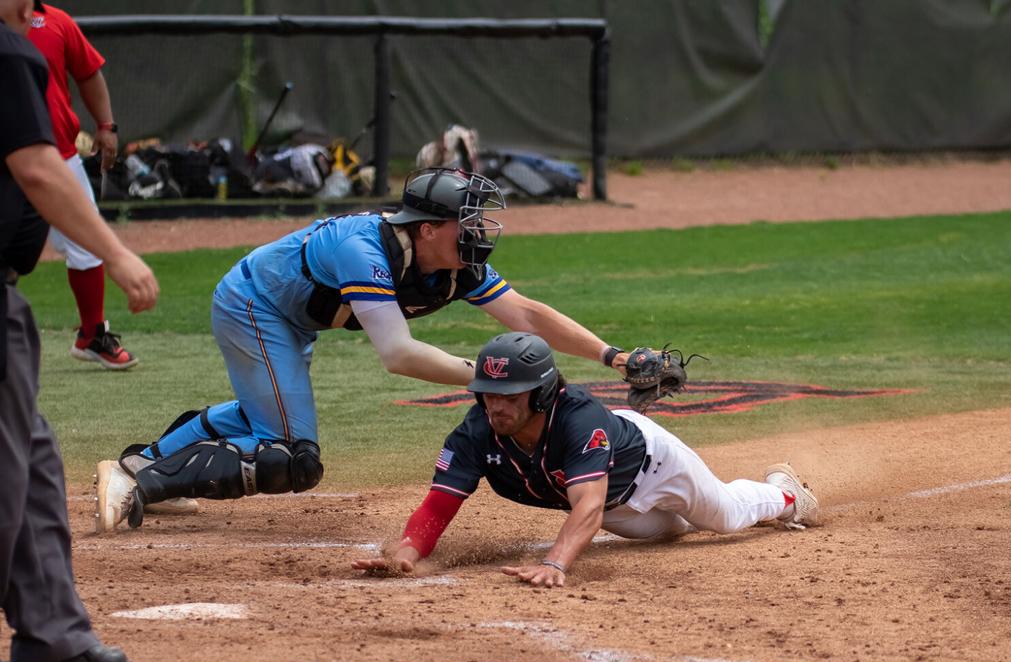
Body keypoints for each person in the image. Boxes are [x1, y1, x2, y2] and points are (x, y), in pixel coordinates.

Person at [94, 167, 633, 533]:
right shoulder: (364, 248)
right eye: (464, 219)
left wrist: (614, 356)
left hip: (291, 319)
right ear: (426, 229)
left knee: (271, 415)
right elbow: (397, 354)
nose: (477, 229)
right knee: (290, 457)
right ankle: (139, 481)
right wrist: (492, 378)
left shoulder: (453, 265)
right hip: (253, 303)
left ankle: (147, 457)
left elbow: (527, 315)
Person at [351, 333, 819, 588]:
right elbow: (438, 505)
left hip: (655, 465)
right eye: (487, 393)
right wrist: (406, 556)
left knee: (724, 517)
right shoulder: (476, 432)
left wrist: (555, 563)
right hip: (615, 509)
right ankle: (710, 510)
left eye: (509, 395)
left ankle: (785, 492)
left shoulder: (578, 419)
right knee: (672, 532)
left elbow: (588, 506)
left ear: (541, 392)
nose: (495, 405)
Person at [1, 0, 158, 662]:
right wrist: (117, 253)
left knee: (29, 461)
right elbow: (38, 169)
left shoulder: (33, 41)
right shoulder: (8, 54)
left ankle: (53, 637)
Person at [27, 1, 138, 369]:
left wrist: (106, 126)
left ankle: (92, 335)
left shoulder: (56, 21)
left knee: (87, 243)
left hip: (59, 157)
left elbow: (88, 72)